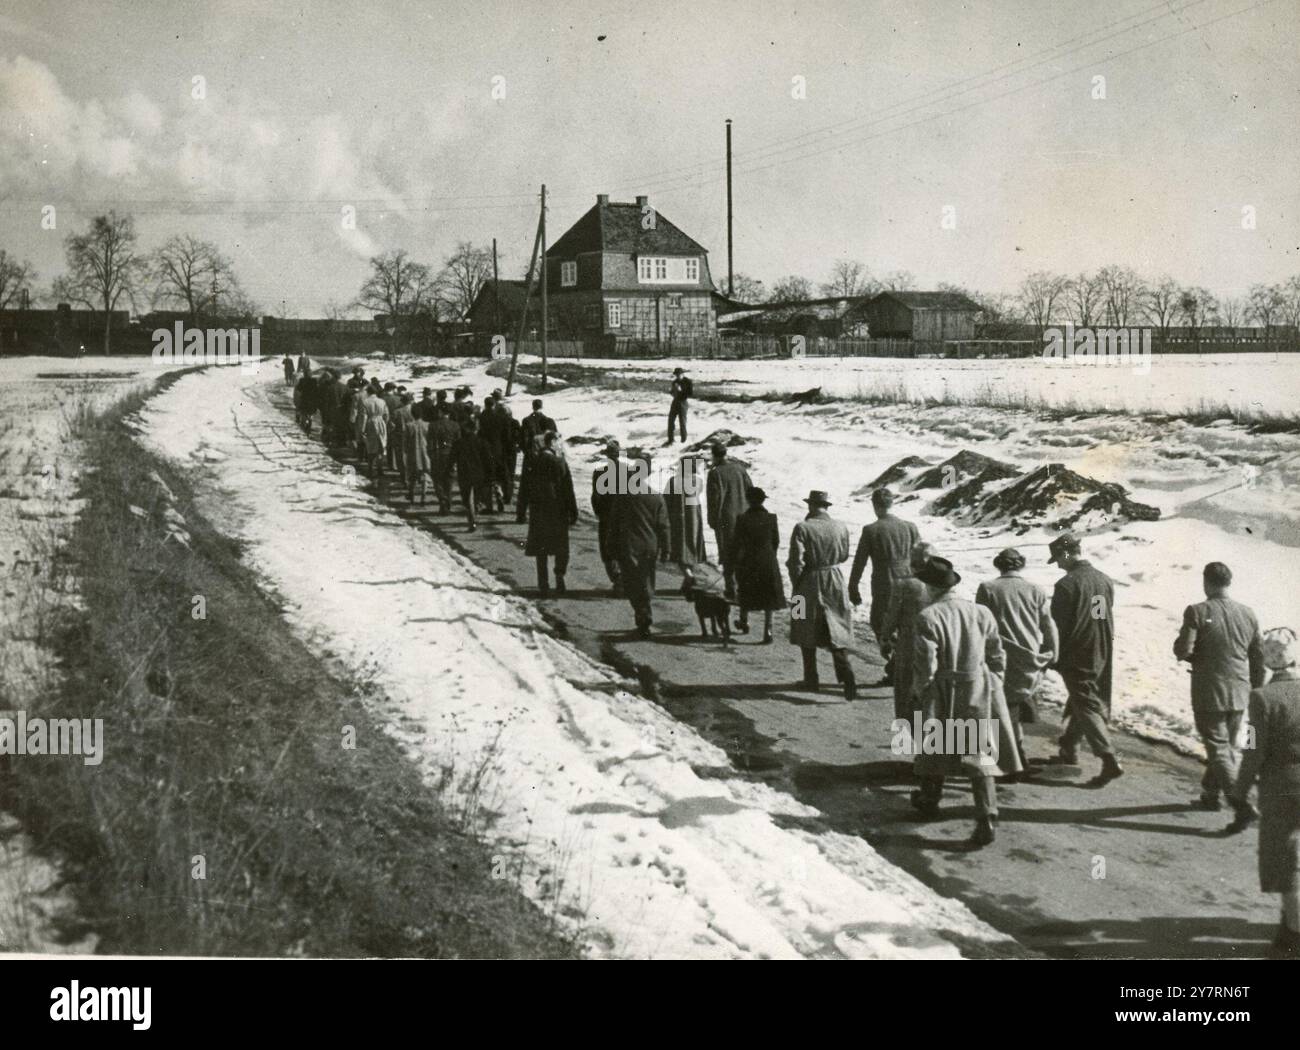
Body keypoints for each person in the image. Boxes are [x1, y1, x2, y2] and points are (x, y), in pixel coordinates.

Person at [910, 556, 1023, 846]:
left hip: (946, 688)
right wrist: (994, 678)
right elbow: (997, 652)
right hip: (979, 686)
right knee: (979, 752)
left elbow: (926, 663)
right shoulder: (981, 612)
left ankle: (929, 801)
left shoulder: (928, 617)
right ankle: (987, 814)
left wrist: (922, 690)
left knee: (935, 745)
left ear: (930, 587)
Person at [1228, 627, 1300, 957]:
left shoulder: (1262, 698)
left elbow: (1253, 750)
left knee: (1287, 864)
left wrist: (1240, 790)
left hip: (1282, 790)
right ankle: (1288, 927)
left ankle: (1295, 930)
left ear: (1270, 662)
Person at [1173, 562, 1266, 811]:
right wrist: (1257, 689)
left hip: (1209, 691)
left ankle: (1241, 802)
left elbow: (1184, 650)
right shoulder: (1248, 613)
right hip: (1239, 691)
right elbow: (1258, 657)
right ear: (1228, 583)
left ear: (1207, 582)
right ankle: (1210, 795)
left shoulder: (1197, 611)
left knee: (1218, 748)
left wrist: (1195, 656)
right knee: (1225, 747)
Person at [1048, 533, 1123, 786]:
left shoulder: (1066, 585)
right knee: (1082, 698)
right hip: (1100, 649)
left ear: (1067, 554)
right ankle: (1069, 748)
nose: (1058, 564)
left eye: (1058, 558)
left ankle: (1108, 758)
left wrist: (1052, 655)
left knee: (1086, 702)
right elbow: (1098, 616)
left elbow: (1057, 627)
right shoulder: (1103, 580)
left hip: (1077, 653)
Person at [975, 547, 1059, 769]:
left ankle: (1010, 760)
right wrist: (1052, 653)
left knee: (1000, 709)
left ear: (998, 565)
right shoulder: (1036, 590)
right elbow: (1048, 624)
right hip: (1029, 658)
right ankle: (1015, 755)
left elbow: (981, 625)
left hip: (1000, 656)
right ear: (1021, 564)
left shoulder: (988, 588)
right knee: (1016, 709)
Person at [786, 490, 856, 701]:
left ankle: (811, 678)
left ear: (810, 506)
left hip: (807, 580)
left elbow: (795, 561)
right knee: (837, 625)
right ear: (826, 507)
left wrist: (796, 584)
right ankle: (845, 672)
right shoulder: (841, 527)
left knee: (801, 624)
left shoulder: (802, 527)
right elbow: (843, 555)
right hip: (835, 579)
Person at [849, 488, 921, 686]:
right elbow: (921, 557)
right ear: (892, 504)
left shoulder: (871, 530)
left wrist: (853, 586)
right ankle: (899, 668)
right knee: (904, 624)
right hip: (911, 581)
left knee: (880, 622)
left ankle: (895, 667)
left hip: (885, 583)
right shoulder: (910, 527)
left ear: (875, 505)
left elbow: (860, 561)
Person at [609, 449, 670, 638]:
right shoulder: (656, 496)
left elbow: (614, 524)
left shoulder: (623, 495)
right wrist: (666, 549)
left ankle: (642, 615)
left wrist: (610, 547)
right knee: (646, 581)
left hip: (628, 546)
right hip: (649, 547)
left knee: (631, 583)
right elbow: (664, 526)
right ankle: (645, 614)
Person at [881, 541, 934, 725]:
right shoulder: (939, 586)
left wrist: (885, 638)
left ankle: (910, 729)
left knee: (905, 690)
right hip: (936, 646)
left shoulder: (904, 585)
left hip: (909, 644)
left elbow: (892, 616)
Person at [519, 431, 578, 595]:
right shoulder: (559, 462)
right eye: (558, 441)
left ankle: (543, 583)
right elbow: (568, 489)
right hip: (557, 510)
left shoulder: (533, 462)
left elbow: (525, 488)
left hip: (538, 510)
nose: (559, 444)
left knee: (541, 549)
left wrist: (521, 511)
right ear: (551, 442)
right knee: (561, 546)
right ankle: (559, 574)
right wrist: (573, 511)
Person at [730, 487, 785, 644]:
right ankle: (768, 630)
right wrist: (769, 555)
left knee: (746, 591)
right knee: (769, 596)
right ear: (763, 500)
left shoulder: (742, 519)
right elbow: (776, 542)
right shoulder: (772, 518)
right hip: (768, 560)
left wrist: (732, 562)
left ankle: (744, 621)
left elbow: (736, 543)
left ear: (748, 500)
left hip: (749, 560)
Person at [705, 444, 752, 602]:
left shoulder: (715, 473)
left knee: (727, 554)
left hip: (726, 520)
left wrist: (712, 521)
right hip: (744, 518)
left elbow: (714, 500)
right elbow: (751, 491)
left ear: (715, 455)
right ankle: (745, 588)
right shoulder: (740, 469)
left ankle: (731, 589)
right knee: (742, 553)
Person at [591, 441, 624, 594]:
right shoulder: (629, 472)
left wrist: (599, 512)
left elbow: (595, 497)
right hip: (624, 518)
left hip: (607, 517)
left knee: (607, 549)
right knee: (623, 548)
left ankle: (616, 580)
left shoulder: (599, 473)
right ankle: (624, 579)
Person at [663, 453, 708, 566]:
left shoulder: (673, 481)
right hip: (694, 515)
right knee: (693, 538)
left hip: (678, 516)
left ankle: (687, 572)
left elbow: (666, 501)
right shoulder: (697, 481)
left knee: (680, 544)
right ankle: (691, 565)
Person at [452, 415, 494, 531]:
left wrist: (448, 470)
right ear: (476, 429)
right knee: (476, 496)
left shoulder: (459, 443)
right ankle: (475, 510)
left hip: (464, 474)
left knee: (466, 498)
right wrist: (490, 474)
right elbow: (488, 460)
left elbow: (452, 458)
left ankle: (472, 519)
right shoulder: (482, 442)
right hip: (479, 474)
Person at [479, 395, 516, 512]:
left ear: (485, 405)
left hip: (485, 450)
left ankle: (488, 504)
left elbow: (480, 433)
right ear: (494, 404)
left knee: (487, 476)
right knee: (501, 474)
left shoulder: (482, 417)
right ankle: (501, 492)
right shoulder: (501, 418)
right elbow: (506, 436)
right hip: (499, 449)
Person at [427, 405, 460, 515]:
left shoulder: (433, 425)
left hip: (437, 454)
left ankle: (442, 498)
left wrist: (430, 454)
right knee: (449, 479)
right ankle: (448, 501)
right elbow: (458, 442)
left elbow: (430, 442)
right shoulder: (455, 425)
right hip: (450, 454)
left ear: (440, 412)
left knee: (437, 478)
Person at [356, 383, 390, 480]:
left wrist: (362, 430)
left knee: (371, 446)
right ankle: (380, 468)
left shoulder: (365, 402)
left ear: (368, 392)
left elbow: (363, 417)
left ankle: (371, 468)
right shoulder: (382, 401)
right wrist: (384, 423)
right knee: (381, 445)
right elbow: (386, 414)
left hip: (371, 423)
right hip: (381, 423)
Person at [404, 398, 432, 504]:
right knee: (425, 473)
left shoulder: (409, 425)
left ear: (412, 414)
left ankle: (411, 494)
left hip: (412, 452)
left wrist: (405, 451)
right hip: (425, 452)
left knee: (412, 475)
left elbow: (405, 441)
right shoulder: (427, 425)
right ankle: (423, 495)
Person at [390, 392, 414, 494]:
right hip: (412, 437)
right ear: (411, 401)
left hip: (399, 437)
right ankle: (412, 479)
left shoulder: (397, 412)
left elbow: (391, 425)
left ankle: (404, 479)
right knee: (411, 457)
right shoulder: (414, 411)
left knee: (400, 458)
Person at [666, 366, 692, 444]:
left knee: (682, 422)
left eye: (679, 374)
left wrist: (681, 391)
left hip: (683, 402)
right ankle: (670, 440)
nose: (677, 376)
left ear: (682, 374)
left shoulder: (688, 382)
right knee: (670, 421)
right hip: (675, 402)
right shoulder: (675, 382)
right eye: (676, 375)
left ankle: (683, 440)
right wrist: (671, 392)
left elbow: (690, 393)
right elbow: (674, 393)